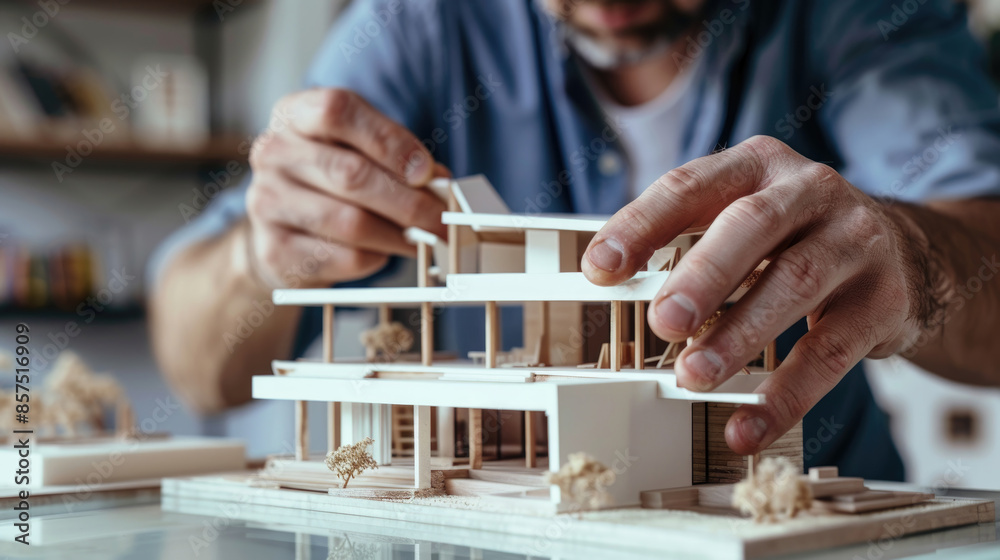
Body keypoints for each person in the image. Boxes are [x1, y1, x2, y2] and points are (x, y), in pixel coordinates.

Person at [148, 0, 1000, 481]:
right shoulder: (417, 23)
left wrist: (914, 258)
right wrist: (266, 251)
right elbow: (196, 363)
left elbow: (982, 248)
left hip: (802, 506)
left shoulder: (858, 14)